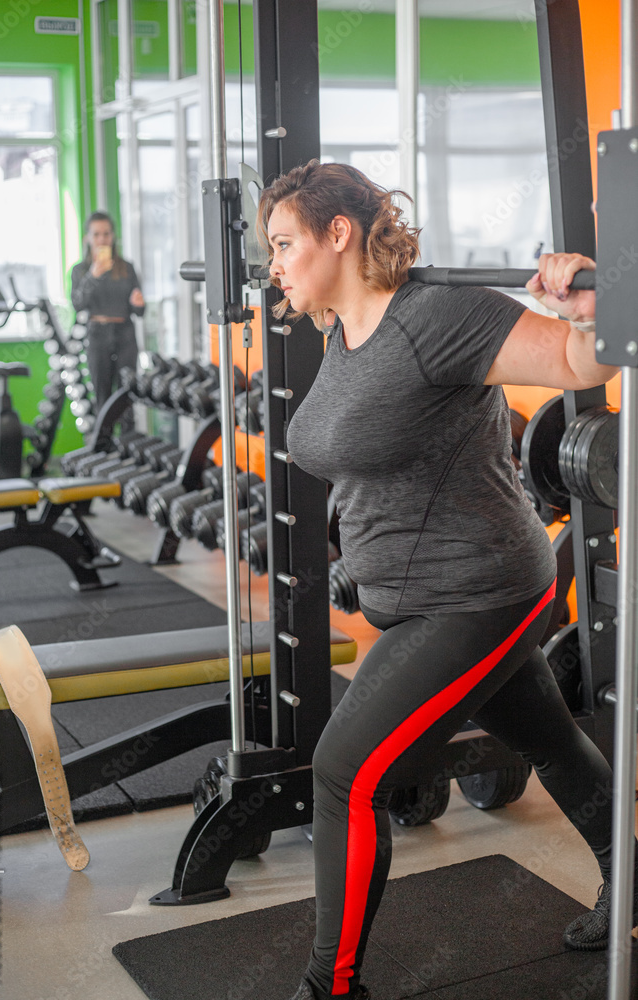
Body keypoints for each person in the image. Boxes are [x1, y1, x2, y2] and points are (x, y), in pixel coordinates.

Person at [257, 160, 632, 1000]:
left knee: (344, 773)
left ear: (339, 234)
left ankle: (331, 986)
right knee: (545, 734)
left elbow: (580, 364)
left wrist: (591, 304)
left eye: (285, 243)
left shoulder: (441, 317)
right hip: (416, 596)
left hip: (480, 590)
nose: (274, 264)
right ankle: (635, 884)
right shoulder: (338, 331)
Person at [70, 211, 145, 430]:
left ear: (112, 237)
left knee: (127, 395)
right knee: (102, 396)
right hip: (97, 335)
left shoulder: (126, 267)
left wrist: (139, 304)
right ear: (88, 239)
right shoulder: (80, 270)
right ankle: (104, 452)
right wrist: (92, 276)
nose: (102, 239)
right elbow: (78, 304)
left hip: (125, 334)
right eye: (97, 235)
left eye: (106, 234)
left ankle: (129, 452)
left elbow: (139, 312)